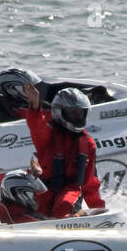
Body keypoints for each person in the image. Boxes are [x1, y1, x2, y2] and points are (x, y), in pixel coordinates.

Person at [20, 81, 105, 218]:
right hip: (43, 188)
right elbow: (36, 126)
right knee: (30, 210)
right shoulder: (48, 135)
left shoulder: (88, 143)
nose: (77, 117)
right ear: (60, 112)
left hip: (71, 191)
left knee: (64, 206)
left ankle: (72, 225)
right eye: (73, 113)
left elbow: (90, 182)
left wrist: (100, 211)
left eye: (80, 113)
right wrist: (35, 105)